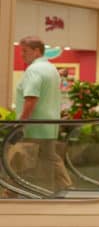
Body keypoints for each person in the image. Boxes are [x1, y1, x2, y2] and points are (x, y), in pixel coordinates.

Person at [11, 35, 73, 194]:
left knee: (18, 157)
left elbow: (31, 99)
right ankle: (67, 188)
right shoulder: (51, 69)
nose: (21, 55)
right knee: (50, 157)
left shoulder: (34, 70)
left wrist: (20, 124)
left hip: (33, 127)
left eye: (25, 51)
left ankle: (10, 192)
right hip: (49, 126)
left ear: (37, 51)